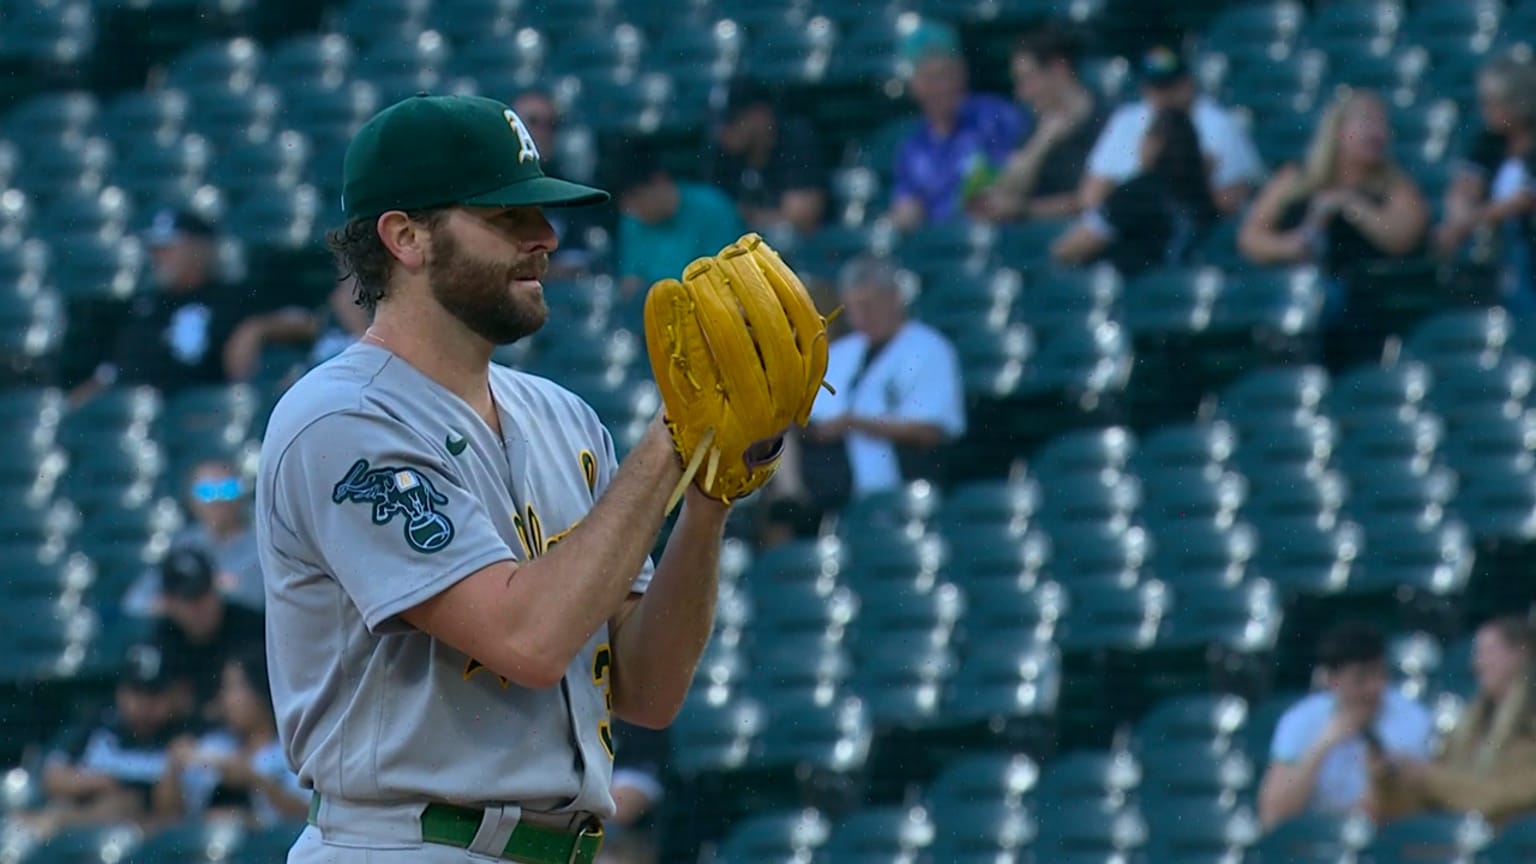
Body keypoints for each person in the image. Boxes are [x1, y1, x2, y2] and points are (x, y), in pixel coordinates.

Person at [257, 93, 738, 863]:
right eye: (506, 216)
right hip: (406, 844)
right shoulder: (341, 421)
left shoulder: (565, 417)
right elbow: (528, 640)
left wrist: (710, 498)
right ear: (406, 237)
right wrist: (675, 433)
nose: (545, 236)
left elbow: (648, 691)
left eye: (540, 213)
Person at [68, 209, 317, 405]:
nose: (158, 257)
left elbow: (309, 323)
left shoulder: (233, 297)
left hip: (203, 418)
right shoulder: (144, 305)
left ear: (201, 248)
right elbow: (111, 373)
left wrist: (256, 328)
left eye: (168, 248)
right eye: (155, 250)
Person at [1238, 88, 1429, 317]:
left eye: (1382, 123)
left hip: (1365, 297)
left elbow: (1403, 237)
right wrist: (1291, 246)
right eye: (1366, 121)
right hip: (1295, 287)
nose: (1377, 131)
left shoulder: (1396, 186)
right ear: (1337, 129)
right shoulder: (1294, 178)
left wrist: (1350, 204)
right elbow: (1250, 238)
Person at [800, 256, 965, 503]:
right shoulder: (841, 351)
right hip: (830, 469)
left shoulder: (930, 348)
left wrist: (856, 423)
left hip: (906, 474)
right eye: (854, 308)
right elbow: (816, 419)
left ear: (895, 298)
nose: (861, 317)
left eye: (869, 305)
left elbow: (932, 431)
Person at [1258, 622, 1434, 830]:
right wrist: (1324, 744)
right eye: (1361, 678)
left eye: (1380, 674)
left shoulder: (1413, 719)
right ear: (1332, 681)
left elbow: (1390, 814)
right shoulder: (1300, 720)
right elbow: (1272, 817)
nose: (1374, 687)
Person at [1370, 616, 1536, 828]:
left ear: (1520, 655)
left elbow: (1498, 800)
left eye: (1488, 653)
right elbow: (1422, 807)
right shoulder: (1468, 730)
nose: (1476, 665)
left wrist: (1427, 776)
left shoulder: (1529, 732)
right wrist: (1387, 781)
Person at [23, 645, 197, 839]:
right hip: (81, 823)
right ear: (120, 692)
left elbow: (174, 816)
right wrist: (104, 782)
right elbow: (53, 778)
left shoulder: (187, 739)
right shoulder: (99, 726)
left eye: (154, 694)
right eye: (137, 692)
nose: (144, 705)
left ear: (175, 696)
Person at [1079, 45, 1263, 217]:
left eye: (1169, 87)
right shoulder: (1126, 119)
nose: (1162, 95)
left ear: (1187, 83)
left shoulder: (1219, 124)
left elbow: (1231, 200)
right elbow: (1090, 196)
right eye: (1155, 87)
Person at [886, 20, 1030, 231]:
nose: (942, 86)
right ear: (914, 86)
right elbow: (906, 204)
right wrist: (902, 216)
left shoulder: (995, 116)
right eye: (930, 78)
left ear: (962, 73)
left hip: (999, 231)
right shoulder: (912, 148)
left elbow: (1021, 168)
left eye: (947, 74)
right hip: (942, 241)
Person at [1051, 107, 1219, 276]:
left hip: (1136, 286)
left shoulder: (1137, 191)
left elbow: (1072, 248)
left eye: (1145, 136)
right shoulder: (1201, 194)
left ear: (1157, 143)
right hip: (1181, 283)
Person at [155, 647, 308, 829]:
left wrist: (254, 780)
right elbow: (169, 820)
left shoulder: (290, 752)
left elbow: (307, 815)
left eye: (233, 688)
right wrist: (172, 769)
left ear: (261, 690)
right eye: (224, 689)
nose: (225, 700)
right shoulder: (213, 746)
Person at [971, 20, 1106, 223]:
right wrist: (1042, 142)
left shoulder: (1108, 123)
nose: (1022, 93)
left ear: (1058, 69)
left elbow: (1091, 201)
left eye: (1027, 78)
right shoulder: (1033, 129)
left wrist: (1025, 210)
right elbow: (1002, 195)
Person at [1433, 52, 1536, 313]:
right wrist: (1457, 216)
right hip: (1497, 245)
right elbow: (1466, 184)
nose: (1485, 110)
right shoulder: (1488, 140)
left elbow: (1526, 199)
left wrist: (1472, 219)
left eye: (1492, 103)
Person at [123, 458, 265, 617]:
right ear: (191, 500)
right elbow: (135, 602)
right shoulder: (183, 544)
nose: (217, 500)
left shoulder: (264, 545)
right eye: (206, 492)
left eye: (228, 489)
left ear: (242, 495)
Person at [612, 140, 746, 294]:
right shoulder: (633, 220)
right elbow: (630, 283)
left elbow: (727, 280)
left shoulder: (713, 209)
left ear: (659, 181)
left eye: (636, 197)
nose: (632, 210)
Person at [705, 79, 828, 237]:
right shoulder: (721, 151)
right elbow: (712, 217)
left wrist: (746, 217)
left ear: (760, 113)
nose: (722, 132)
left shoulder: (794, 137)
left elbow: (802, 218)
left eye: (732, 120)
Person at [152, 545, 267, 711]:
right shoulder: (162, 639)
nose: (201, 606)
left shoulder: (252, 625)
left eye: (205, 592)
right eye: (190, 599)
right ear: (169, 602)